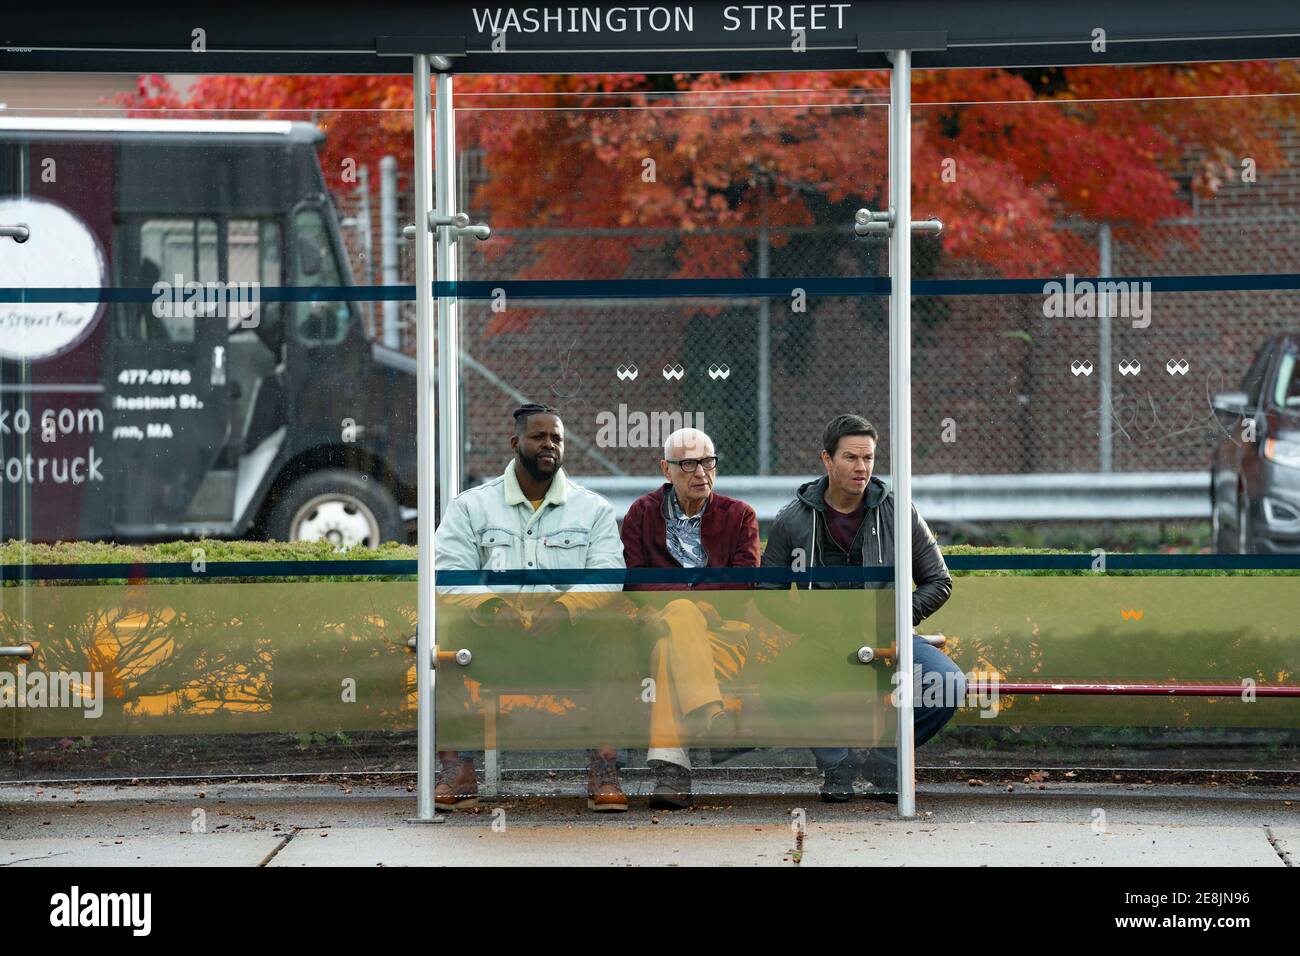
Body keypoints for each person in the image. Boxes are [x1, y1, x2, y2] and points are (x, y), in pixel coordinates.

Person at [433, 403, 631, 812]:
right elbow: (448, 571)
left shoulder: (592, 509)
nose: (549, 445)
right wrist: (489, 606)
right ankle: (459, 771)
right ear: (515, 442)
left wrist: (565, 608)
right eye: (539, 436)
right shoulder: (471, 506)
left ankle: (605, 769)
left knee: (618, 638)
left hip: (569, 638)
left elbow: (610, 573)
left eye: (556, 438)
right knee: (444, 639)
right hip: (493, 640)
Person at [759, 413, 964, 803]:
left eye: (868, 458)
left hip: (891, 639)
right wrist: (811, 624)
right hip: (824, 641)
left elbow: (940, 581)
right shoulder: (793, 519)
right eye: (851, 458)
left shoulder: (898, 512)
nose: (862, 467)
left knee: (948, 683)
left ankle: (885, 762)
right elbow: (766, 591)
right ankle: (837, 764)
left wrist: (895, 620)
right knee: (775, 685)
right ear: (827, 460)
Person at [620, 427, 761, 809]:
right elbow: (633, 579)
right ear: (666, 469)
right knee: (676, 619)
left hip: (723, 636)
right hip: (659, 625)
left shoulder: (739, 515)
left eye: (708, 462)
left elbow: (744, 580)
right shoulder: (641, 514)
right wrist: (689, 606)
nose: (701, 473)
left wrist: (690, 608)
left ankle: (672, 774)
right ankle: (711, 716)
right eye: (689, 464)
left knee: (668, 649)